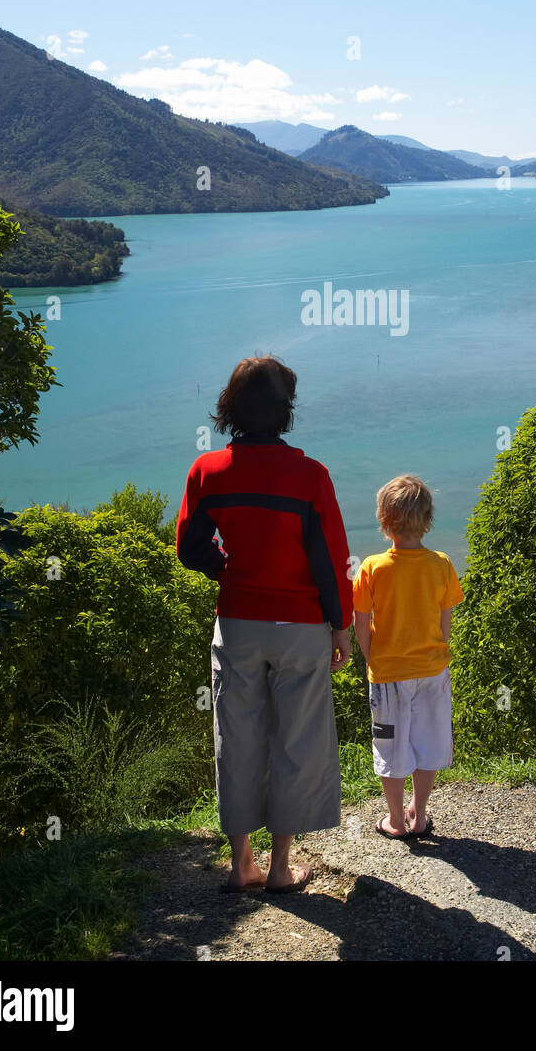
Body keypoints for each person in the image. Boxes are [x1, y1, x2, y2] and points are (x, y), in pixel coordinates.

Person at [176, 355, 352, 893]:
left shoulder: (207, 471)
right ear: (285, 410)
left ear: (229, 408)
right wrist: (339, 626)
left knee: (238, 737)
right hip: (299, 628)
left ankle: (240, 865)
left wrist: (227, 566)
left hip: (238, 624)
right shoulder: (310, 476)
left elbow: (189, 548)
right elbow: (331, 559)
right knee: (295, 741)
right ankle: (280, 868)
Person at [352, 475, 463, 839]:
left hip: (388, 675)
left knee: (391, 744)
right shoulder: (442, 564)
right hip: (433, 670)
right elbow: (445, 623)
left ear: (384, 519)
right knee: (429, 743)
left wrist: (373, 659)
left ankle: (396, 820)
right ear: (427, 518)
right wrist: (435, 655)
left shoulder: (372, 567)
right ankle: (420, 815)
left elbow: (361, 623)